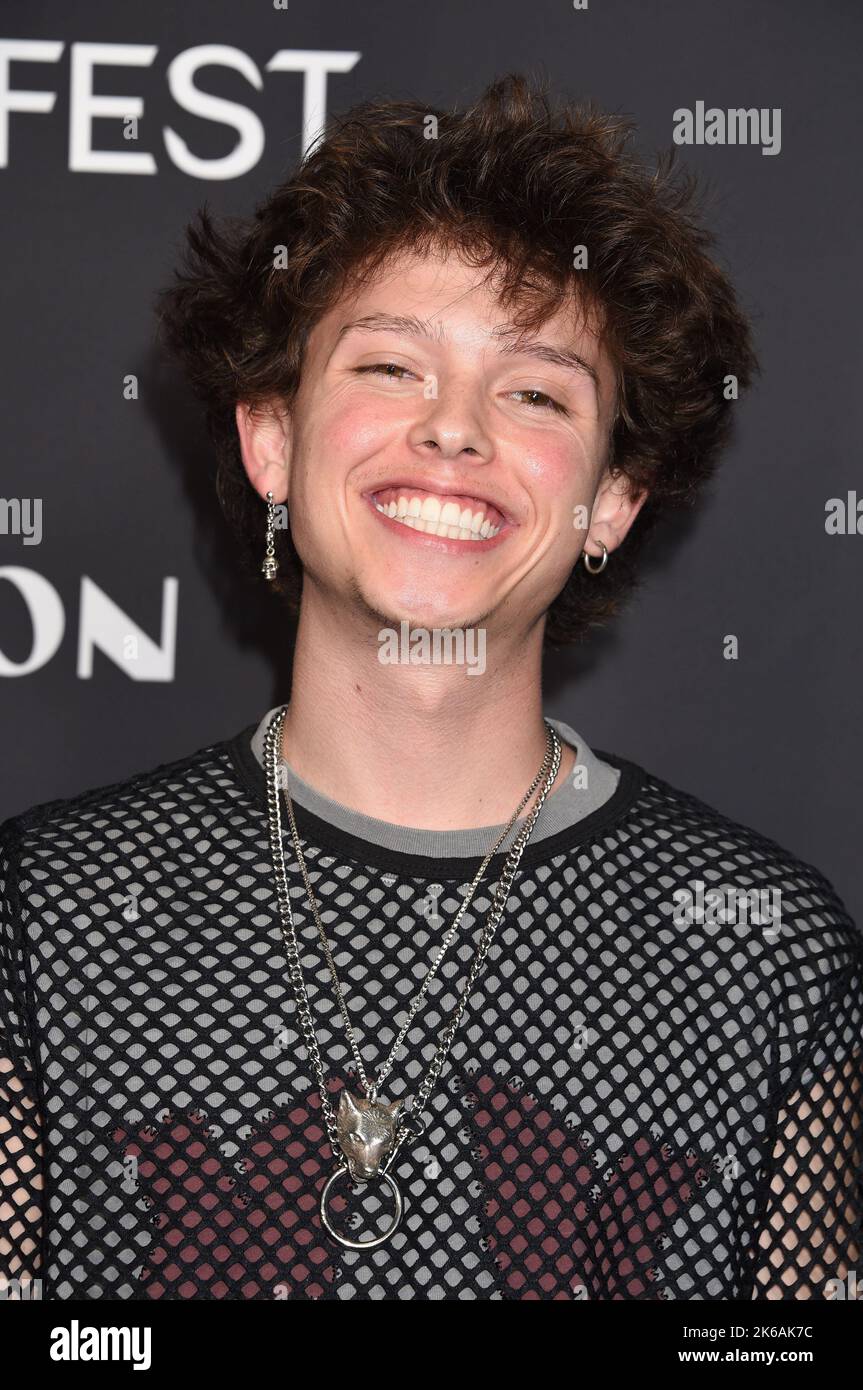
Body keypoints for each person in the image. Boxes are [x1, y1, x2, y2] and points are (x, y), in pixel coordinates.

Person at [1, 73, 860, 1302]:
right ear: (271, 438)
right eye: (391, 367)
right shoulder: (46, 916)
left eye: (533, 392)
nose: (453, 430)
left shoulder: (763, 953)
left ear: (610, 501)